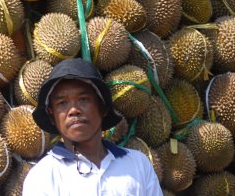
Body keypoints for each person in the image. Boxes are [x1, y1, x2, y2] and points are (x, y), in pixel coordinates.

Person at [21, 58, 162, 195]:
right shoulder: (42, 177)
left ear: (103, 107)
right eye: (62, 103)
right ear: (52, 116)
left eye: (83, 99)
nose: (73, 110)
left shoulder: (138, 164)